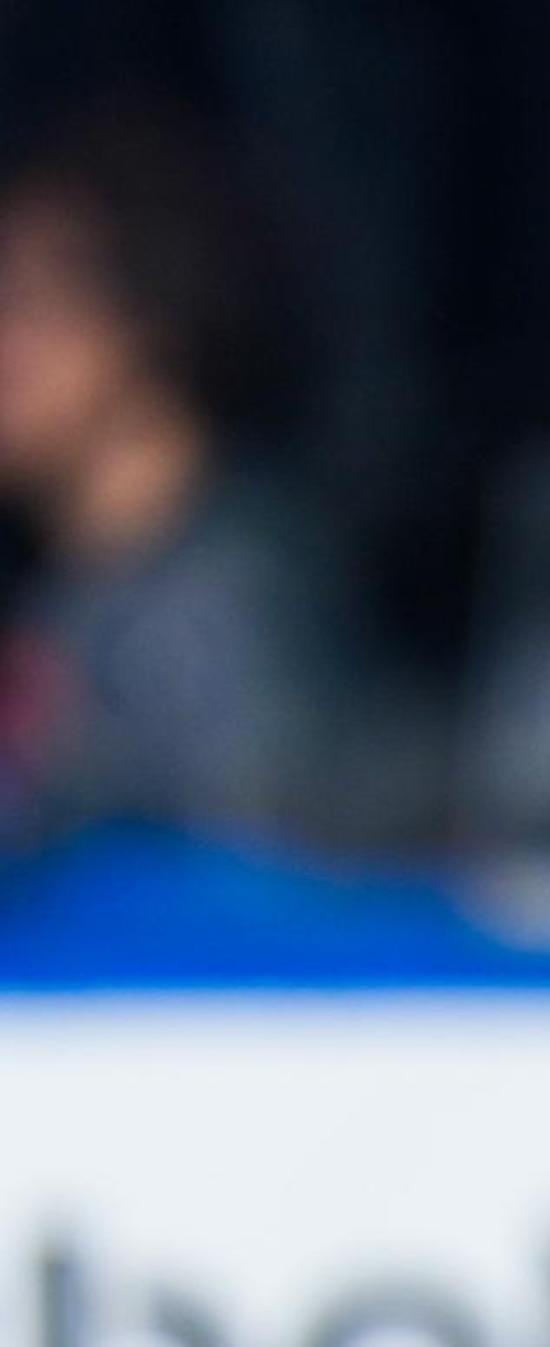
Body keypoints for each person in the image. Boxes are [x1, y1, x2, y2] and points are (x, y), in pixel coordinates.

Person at [0, 107, 347, 848]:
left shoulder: (218, 605)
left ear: (147, 322)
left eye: (25, 303)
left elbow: (254, 899)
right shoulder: (86, 591)